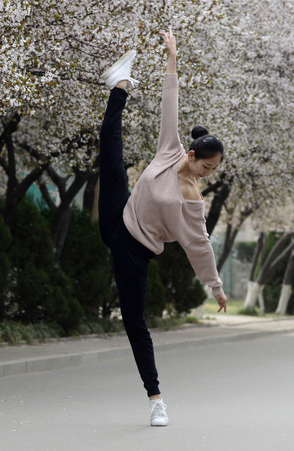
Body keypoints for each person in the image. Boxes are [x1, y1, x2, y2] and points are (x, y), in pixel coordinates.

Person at [97, 28, 229, 426]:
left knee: (134, 321)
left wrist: (216, 286)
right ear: (191, 154)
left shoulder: (192, 200)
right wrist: (172, 56)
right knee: (111, 154)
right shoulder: (170, 149)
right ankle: (119, 84)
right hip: (118, 214)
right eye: (206, 167)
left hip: (136, 250)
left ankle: (156, 400)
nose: (207, 174)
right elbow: (168, 103)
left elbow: (198, 245)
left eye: (213, 171)